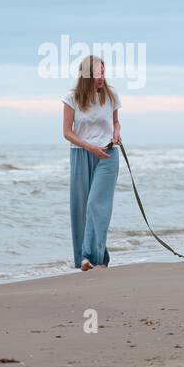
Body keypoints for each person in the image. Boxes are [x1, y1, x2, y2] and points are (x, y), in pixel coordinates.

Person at [61, 55, 121, 271]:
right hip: (81, 154)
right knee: (81, 208)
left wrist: (116, 133)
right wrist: (89, 147)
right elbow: (67, 132)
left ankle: (90, 256)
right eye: (98, 74)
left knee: (97, 205)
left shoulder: (111, 96)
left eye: (104, 72)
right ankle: (94, 259)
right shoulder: (72, 98)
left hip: (107, 155)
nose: (102, 77)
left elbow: (116, 122)